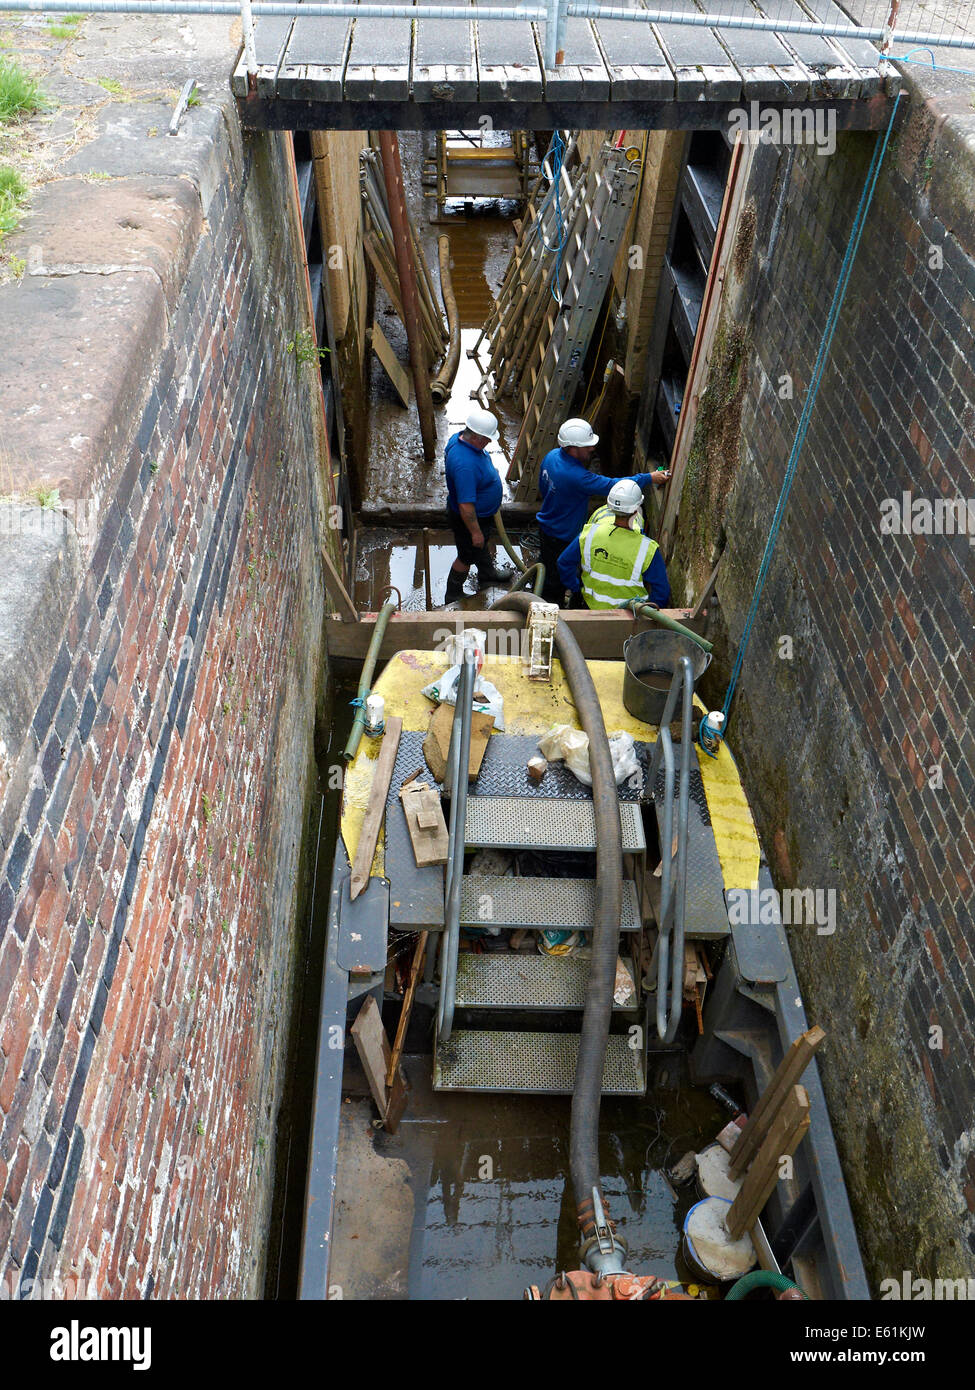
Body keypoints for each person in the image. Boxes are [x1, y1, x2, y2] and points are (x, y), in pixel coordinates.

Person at [535, 418, 669, 602]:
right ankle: (551, 610)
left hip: (547, 525)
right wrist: (649, 477)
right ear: (573, 448)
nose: (592, 448)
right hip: (561, 535)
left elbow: (543, 488)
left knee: (550, 565)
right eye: (587, 446)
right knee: (554, 582)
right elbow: (614, 485)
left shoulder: (551, 456)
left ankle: (545, 584)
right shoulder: (577, 477)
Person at [557, 478, 671, 610]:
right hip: (629, 617)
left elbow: (564, 563)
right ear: (636, 510)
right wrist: (647, 615)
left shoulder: (589, 534)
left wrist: (576, 587)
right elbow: (661, 593)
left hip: (590, 609)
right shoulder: (647, 549)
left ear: (610, 507)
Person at [444, 407, 508, 602]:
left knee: (479, 546)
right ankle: (453, 593)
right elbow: (466, 506)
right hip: (470, 519)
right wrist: (475, 531)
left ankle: (487, 575)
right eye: (487, 439)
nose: (489, 442)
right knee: (466, 555)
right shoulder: (465, 465)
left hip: (481, 514)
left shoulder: (460, 438)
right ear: (477, 437)